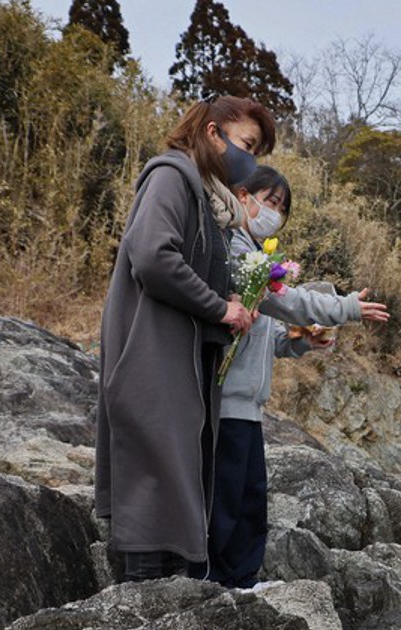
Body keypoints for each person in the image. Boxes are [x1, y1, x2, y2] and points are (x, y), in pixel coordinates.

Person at [95, 96, 276, 582]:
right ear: (212, 132)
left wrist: (233, 297)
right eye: (247, 144)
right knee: (157, 498)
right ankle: (148, 606)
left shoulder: (206, 199)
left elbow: (188, 267)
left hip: (179, 363)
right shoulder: (172, 177)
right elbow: (153, 256)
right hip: (152, 360)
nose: (250, 160)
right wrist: (220, 308)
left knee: (176, 496)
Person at [207, 166, 391, 588]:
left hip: (250, 404)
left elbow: (272, 337)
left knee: (250, 500)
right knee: (226, 500)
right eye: (268, 201)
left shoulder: (258, 254)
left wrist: (304, 341)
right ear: (242, 195)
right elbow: (288, 301)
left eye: (281, 209)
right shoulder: (233, 249)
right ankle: (215, 583)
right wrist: (345, 308)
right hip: (225, 398)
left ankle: (242, 582)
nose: (273, 213)